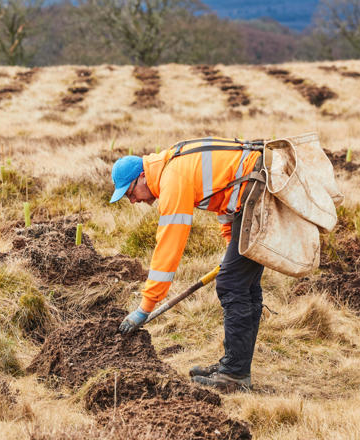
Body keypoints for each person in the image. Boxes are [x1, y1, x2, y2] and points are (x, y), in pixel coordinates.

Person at [110, 137, 264, 392]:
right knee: (243, 285)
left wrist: (145, 307)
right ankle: (234, 366)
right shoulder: (173, 164)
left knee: (232, 283)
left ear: (141, 178)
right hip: (252, 192)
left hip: (258, 192)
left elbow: (169, 243)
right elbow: (226, 194)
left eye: (129, 193)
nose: (133, 201)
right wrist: (230, 242)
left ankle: (235, 375)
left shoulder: (172, 178)